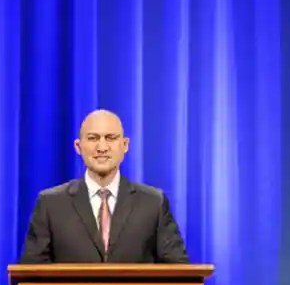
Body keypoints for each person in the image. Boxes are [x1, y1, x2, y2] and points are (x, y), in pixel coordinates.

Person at [20, 109, 189, 264]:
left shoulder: (153, 203)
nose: (102, 147)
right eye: (93, 138)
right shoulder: (51, 204)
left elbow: (179, 271)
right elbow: (30, 277)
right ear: (78, 147)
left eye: (110, 138)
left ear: (125, 145)